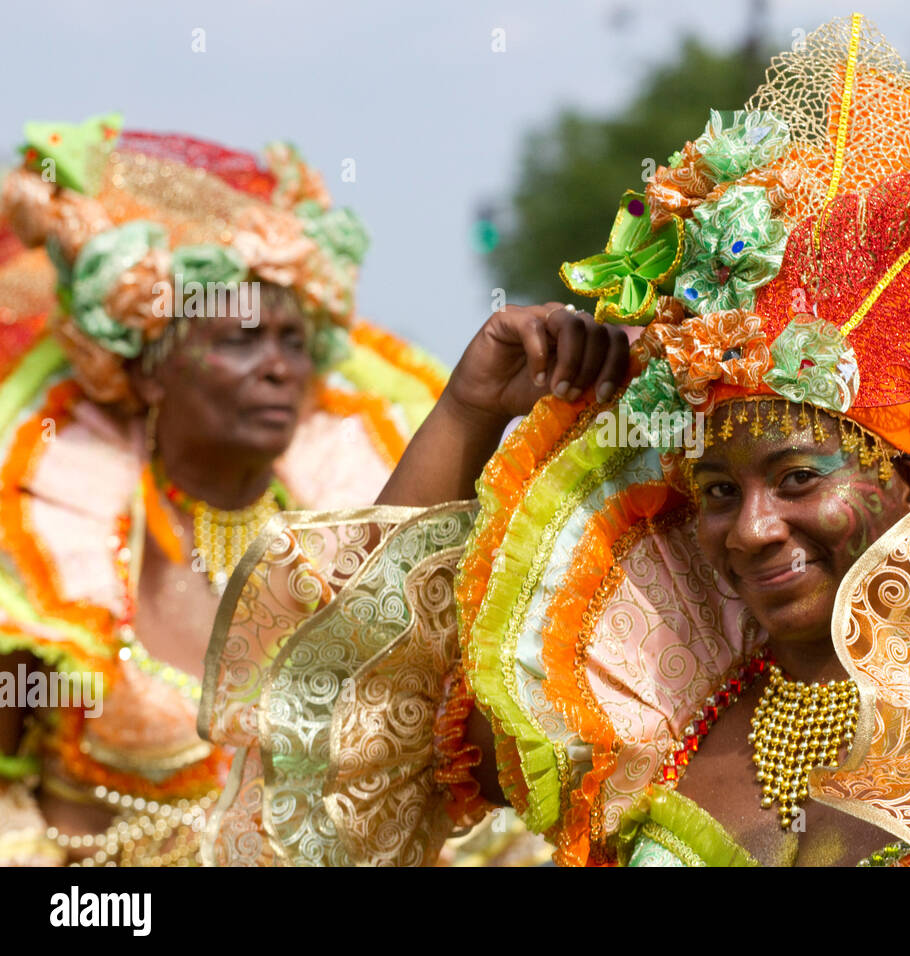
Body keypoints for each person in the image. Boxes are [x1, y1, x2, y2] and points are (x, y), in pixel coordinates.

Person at [200, 16, 910, 866]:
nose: (750, 526)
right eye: (716, 488)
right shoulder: (657, 715)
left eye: (797, 475)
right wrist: (467, 410)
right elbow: (354, 717)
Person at [0, 116, 579, 865]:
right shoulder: (53, 547)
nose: (280, 367)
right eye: (240, 339)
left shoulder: (349, 517)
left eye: (295, 341)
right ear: (147, 366)